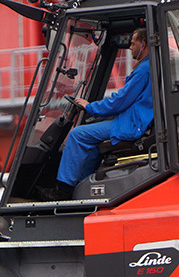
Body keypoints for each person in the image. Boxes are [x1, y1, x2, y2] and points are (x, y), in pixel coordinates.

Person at [44, 28, 153, 201]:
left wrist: (90, 107)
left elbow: (120, 101)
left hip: (131, 124)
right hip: (135, 120)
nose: (130, 47)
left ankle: (62, 190)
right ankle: (82, 186)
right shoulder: (148, 66)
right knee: (92, 142)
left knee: (77, 135)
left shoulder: (143, 70)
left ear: (144, 44)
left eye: (133, 43)